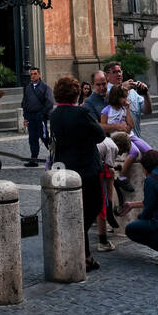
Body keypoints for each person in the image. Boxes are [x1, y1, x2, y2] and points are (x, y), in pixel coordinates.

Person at [48, 74, 106, 271]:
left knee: (76, 210)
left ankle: (86, 255)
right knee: (94, 205)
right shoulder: (81, 113)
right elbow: (99, 135)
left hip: (65, 168)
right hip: (86, 168)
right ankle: (81, 249)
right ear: (76, 94)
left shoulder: (54, 115)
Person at [95, 132, 130, 253]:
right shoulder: (112, 147)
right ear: (119, 145)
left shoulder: (104, 140)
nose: (119, 155)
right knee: (102, 205)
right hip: (95, 171)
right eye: (121, 152)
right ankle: (103, 242)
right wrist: (109, 200)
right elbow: (109, 170)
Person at [104, 60, 152, 135]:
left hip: (135, 136)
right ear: (107, 76)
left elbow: (148, 111)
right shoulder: (106, 91)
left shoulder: (132, 91)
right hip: (118, 141)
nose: (118, 74)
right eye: (114, 72)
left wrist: (146, 94)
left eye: (119, 71)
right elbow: (111, 98)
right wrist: (122, 87)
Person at [22, 66, 54, 167]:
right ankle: (34, 159)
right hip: (31, 117)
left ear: (39, 75)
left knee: (44, 137)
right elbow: (25, 102)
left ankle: (55, 155)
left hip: (40, 117)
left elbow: (49, 102)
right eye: (31, 74)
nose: (33, 76)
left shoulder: (45, 87)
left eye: (35, 74)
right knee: (32, 138)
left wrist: (42, 113)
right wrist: (25, 116)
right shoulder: (28, 87)